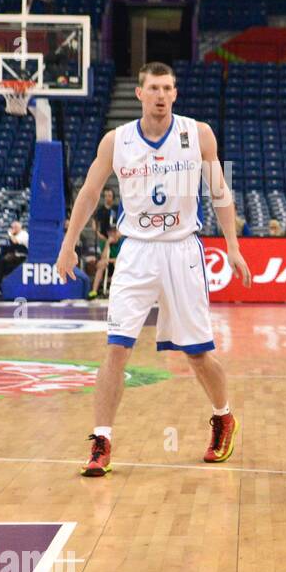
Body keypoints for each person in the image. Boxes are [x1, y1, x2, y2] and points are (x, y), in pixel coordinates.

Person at [55, 61, 254, 477]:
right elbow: (90, 193)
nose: (161, 95)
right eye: (154, 88)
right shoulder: (117, 141)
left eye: (168, 88)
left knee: (198, 354)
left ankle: (223, 416)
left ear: (175, 94)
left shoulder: (198, 134)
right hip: (137, 252)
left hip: (182, 250)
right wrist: (68, 245)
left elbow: (220, 193)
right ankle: (102, 439)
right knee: (116, 348)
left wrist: (233, 246)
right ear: (140, 94)